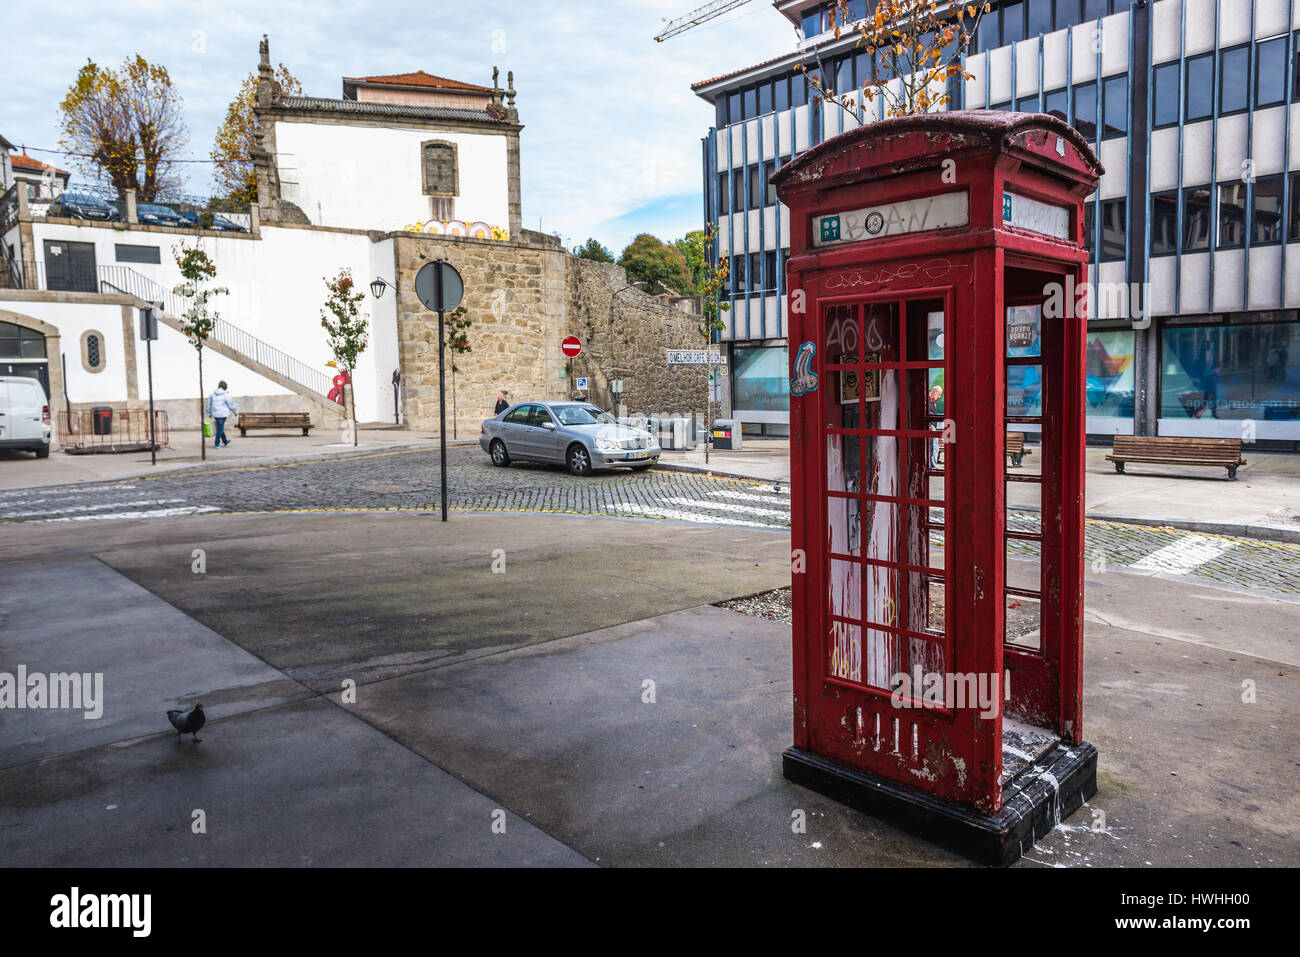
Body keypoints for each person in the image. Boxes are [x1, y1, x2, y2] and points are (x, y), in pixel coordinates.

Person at [206, 381, 237, 448]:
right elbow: (231, 405)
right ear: (225, 387)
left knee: (220, 428)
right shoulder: (226, 394)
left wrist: (208, 413)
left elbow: (208, 404)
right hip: (223, 414)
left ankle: (225, 441)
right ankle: (217, 443)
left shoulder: (212, 394)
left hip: (215, 414)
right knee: (220, 429)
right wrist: (235, 412)